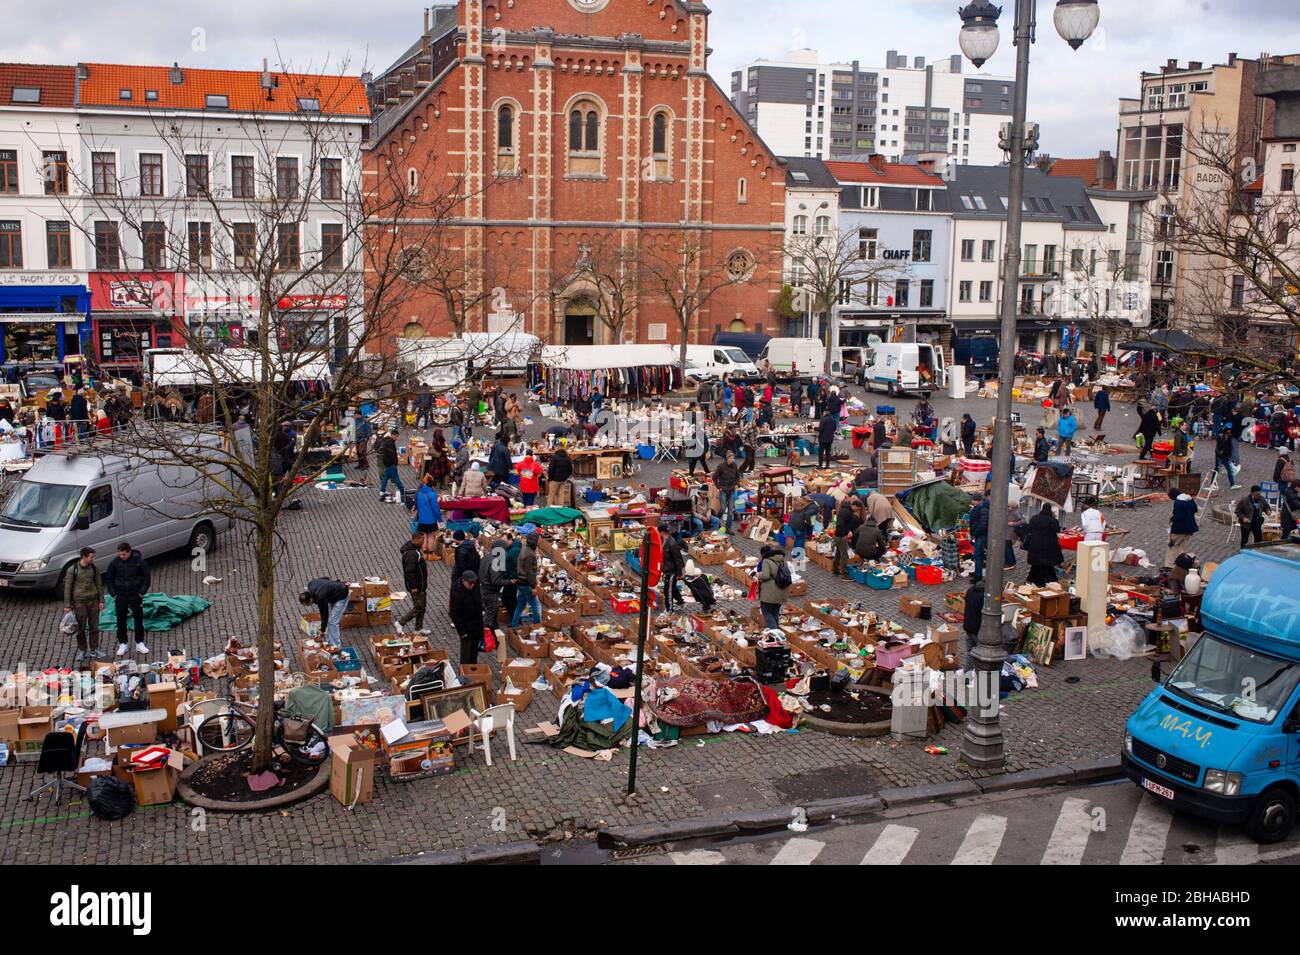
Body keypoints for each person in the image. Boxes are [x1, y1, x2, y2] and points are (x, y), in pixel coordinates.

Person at [104, 542, 150, 656]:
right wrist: (113, 594)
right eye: (120, 554)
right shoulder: (114, 562)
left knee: (138, 618)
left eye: (124, 554)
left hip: (135, 594)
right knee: (121, 619)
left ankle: (140, 642)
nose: (121, 556)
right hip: (120, 595)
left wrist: (141, 592)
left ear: (129, 552)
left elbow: (146, 577)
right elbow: (109, 578)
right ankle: (123, 643)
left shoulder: (139, 562)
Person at [63, 547, 105, 663]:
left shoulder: (94, 569)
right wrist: (67, 605)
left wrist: (101, 600)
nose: (94, 559)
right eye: (92, 557)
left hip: (94, 601)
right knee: (81, 628)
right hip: (80, 602)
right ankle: (82, 650)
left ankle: (94, 649)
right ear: (84, 557)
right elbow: (68, 588)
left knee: (94, 627)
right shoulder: (73, 570)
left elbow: (99, 584)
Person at [300, 577, 350, 644]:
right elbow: (326, 578)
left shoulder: (321, 598)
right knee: (331, 620)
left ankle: (335, 645)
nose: (307, 606)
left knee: (332, 622)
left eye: (307, 604)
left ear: (311, 599)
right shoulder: (310, 584)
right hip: (334, 595)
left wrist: (322, 630)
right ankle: (329, 640)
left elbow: (324, 614)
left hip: (342, 596)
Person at [396, 534, 429, 635]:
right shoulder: (412, 554)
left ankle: (419, 628)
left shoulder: (416, 550)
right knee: (419, 606)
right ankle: (400, 622)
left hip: (421, 585)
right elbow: (409, 572)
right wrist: (413, 586)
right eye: (422, 539)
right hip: (417, 586)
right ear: (416, 539)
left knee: (422, 606)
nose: (424, 542)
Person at [450, 570, 484, 665]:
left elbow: (478, 600)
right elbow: (455, 614)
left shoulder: (474, 585)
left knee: (474, 652)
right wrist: (462, 632)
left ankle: (473, 671)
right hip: (466, 628)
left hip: (476, 625)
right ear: (464, 581)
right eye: (470, 583)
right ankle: (464, 674)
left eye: (473, 583)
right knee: (466, 655)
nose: (472, 585)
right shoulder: (457, 592)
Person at [1024, 507, 1063, 586]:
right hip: (1048, 545)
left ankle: (1033, 580)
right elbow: (1057, 530)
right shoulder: (1052, 520)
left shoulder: (1034, 518)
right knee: (1046, 564)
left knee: (1037, 564)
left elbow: (1029, 527)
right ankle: (1045, 581)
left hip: (1035, 544)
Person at [511, 531, 543, 627]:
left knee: (520, 605)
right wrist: (533, 586)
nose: (541, 540)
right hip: (526, 583)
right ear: (535, 541)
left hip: (521, 582)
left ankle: (514, 625)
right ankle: (538, 626)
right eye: (539, 539)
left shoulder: (524, 549)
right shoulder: (530, 555)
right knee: (536, 605)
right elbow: (530, 572)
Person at [478, 536, 509, 632]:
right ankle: (484, 636)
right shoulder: (496, 562)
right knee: (490, 614)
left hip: (484, 588)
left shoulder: (487, 556)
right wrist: (509, 581)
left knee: (493, 613)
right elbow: (496, 581)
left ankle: (495, 630)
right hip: (490, 592)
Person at [757, 544, 790, 630]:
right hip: (782, 591)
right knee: (775, 611)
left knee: (766, 610)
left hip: (770, 592)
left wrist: (758, 575)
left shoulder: (767, 561)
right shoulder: (782, 561)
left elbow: (766, 576)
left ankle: (774, 629)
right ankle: (775, 629)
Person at [1166, 489, 1199, 568]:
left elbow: (1178, 516)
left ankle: (1169, 566)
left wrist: (1172, 519)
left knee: (1172, 547)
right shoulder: (1190, 499)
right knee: (1182, 548)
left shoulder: (1178, 502)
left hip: (1178, 528)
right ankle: (1181, 565)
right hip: (1188, 529)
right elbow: (1195, 509)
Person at [712, 450, 741, 533]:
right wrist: (719, 487)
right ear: (727, 458)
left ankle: (728, 528)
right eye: (731, 458)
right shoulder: (721, 466)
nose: (732, 460)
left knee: (730, 510)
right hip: (723, 490)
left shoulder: (735, 466)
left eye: (733, 458)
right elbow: (714, 477)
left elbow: (737, 477)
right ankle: (716, 521)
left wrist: (736, 484)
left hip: (731, 490)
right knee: (723, 508)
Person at [833, 496, 862, 576]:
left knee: (838, 554)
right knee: (844, 555)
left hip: (838, 535)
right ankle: (844, 572)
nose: (857, 510)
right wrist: (845, 533)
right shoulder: (847, 512)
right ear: (854, 506)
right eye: (858, 509)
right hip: (841, 536)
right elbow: (840, 524)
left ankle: (835, 569)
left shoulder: (845, 510)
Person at [376, 426, 405, 500]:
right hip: (391, 463)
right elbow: (391, 452)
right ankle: (402, 491)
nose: (397, 438)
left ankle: (382, 491)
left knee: (385, 478)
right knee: (396, 477)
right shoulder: (390, 442)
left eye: (397, 436)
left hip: (386, 463)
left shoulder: (387, 441)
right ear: (392, 435)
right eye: (396, 436)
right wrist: (397, 454)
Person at [962, 579, 985, 670]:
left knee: (970, 652)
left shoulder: (970, 590)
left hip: (968, 625)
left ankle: (966, 674)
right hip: (977, 628)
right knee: (981, 654)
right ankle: (976, 675)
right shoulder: (984, 596)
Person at [414, 474, 442, 551]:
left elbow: (418, 506)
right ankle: (430, 553)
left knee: (424, 536)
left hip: (422, 519)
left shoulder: (420, 493)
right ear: (432, 486)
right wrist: (440, 520)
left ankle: (424, 552)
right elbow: (436, 509)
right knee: (431, 537)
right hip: (431, 520)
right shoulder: (432, 495)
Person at [661, 531, 686, 612]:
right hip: (668, 569)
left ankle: (669, 609)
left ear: (662, 532)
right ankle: (680, 601)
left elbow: (678, 559)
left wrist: (679, 573)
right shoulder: (664, 540)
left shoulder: (672, 543)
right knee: (672, 587)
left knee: (668, 590)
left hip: (671, 570)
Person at [969, 493, 990, 580]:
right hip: (980, 534)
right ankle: (977, 572)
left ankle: (978, 576)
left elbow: (983, 524)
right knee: (978, 554)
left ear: (976, 500)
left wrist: (975, 532)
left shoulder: (983, 508)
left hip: (981, 534)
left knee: (978, 554)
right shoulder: (980, 507)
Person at [353, 412, 372, 486]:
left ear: (359, 415)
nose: (354, 416)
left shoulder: (365, 421)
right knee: (358, 452)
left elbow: (369, 430)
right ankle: (360, 464)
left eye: (355, 415)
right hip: (357, 439)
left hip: (363, 439)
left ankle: (365, 465)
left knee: (362, 451)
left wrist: (367, 438)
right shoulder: (355, 421)